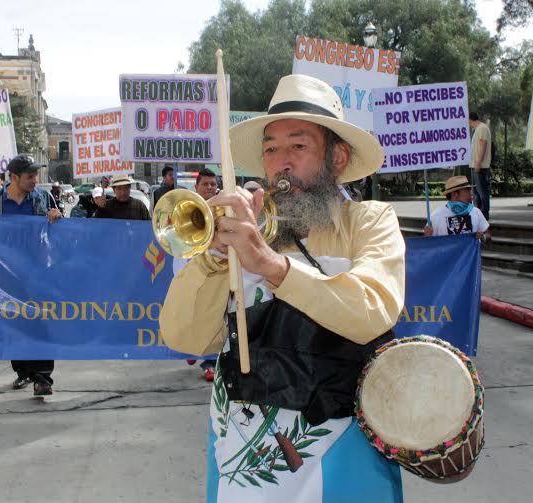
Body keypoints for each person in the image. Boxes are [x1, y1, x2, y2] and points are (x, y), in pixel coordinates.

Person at [160, 74, 405, 501]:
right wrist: (216, 259)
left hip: (344, 462)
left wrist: (270, 264)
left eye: (298, 145)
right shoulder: (249, 233)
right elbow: (183, 336)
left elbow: (372, 311)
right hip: (245, 462)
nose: (281, 162)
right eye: (271, 149)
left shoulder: (370, 221)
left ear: (339, 157)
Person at [0, 155, 63, 395]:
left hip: (36, 271)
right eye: (30, 176)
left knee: (39, 321)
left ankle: (43, 377)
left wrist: (56, 219)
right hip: (5, 272)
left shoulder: (43, 198)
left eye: (36, 175)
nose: (35, 180)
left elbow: (59, 231)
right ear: (14, 177)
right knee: (13, 322)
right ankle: (23, 372)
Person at [178, 167, 220, 381]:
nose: (210, 188)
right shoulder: (187, 207)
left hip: (217, 270)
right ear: (197, 187)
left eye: (213, 184)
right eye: (206, 184)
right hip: (195, 267)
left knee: (213, 315)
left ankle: (209, 362)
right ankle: (193, 350)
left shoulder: (224, 206)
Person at [424, 175, 490, 241]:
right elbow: (429, 244)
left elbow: (488, 236)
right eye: (467, 190)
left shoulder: (476, 211)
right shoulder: (436, 215)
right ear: (455, 194)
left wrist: (483, 237)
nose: (471, 193)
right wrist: (427, 237)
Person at [469, 111, 492, 220]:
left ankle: (484, 215)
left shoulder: (482, 128)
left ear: (470, 119)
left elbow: (483, 145)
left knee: (482, 193)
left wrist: (478, 162)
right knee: (477, 193)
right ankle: (478, 214)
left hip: (480, 166)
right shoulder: (477, 129)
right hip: (476, 165)